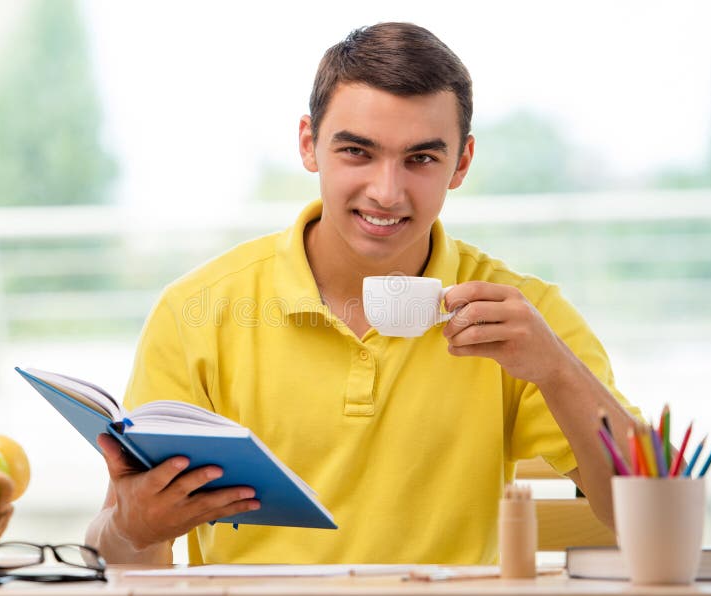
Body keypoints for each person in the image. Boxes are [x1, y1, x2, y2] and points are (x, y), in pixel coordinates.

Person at [86, 22, 642, 565]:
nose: (386, 191)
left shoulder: (522, 315)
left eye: (421, 159)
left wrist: (557, 371)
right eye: (357, 152)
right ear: (310, 144)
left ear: (461, 163)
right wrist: (132, 530)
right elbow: (121, 556)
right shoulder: (195, 312)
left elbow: (648, 520)